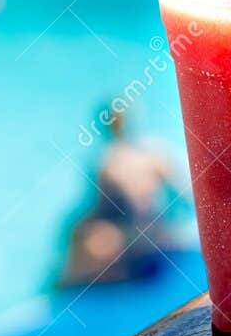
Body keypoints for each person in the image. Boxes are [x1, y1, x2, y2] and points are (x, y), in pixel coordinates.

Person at [58, 108, 175, 288]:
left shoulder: (106, 162)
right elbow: (183, 199)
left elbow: (98, 207)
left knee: (81, 236)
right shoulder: (154, 154)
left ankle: (66, 286)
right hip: (155, 236)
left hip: (134, 242)